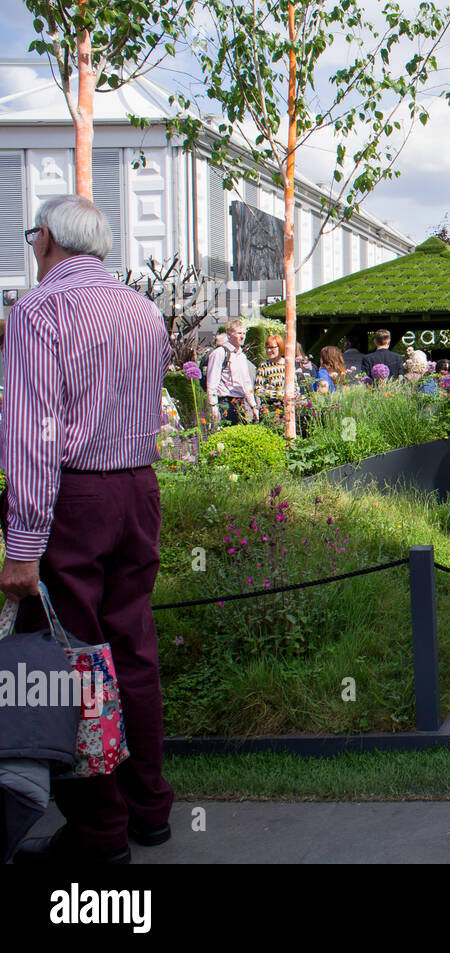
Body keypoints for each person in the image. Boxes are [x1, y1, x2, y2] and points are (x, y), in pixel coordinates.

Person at [3, 195, 174, 862]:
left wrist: (23, 545)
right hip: (138, 486)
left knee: (75, 660)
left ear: (46, 238)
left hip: (74, 494)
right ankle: (150, 809)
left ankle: (99, 828)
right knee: (132, 648)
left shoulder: (38, 309)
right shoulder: (142, 309)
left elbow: (32, 434)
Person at [205, 317, 258, 425]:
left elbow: (246, 383)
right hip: (225, 402)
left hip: (240, 403)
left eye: (244, 333)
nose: (242, 336)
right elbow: (212, 381)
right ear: (229, 334)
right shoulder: (220, 353)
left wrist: (253, 405)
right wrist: (213, 406)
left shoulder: (242, 356)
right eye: (239, 333)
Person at [255, 333, 287, 400]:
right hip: (270, 406)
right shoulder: (264, 366)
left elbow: (295, 387)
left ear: (280, 347)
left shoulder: (287, 365)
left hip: (287, 405)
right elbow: (257, 389)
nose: (268, 350)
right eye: (267, 347)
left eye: (272, 347)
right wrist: (275, 394)